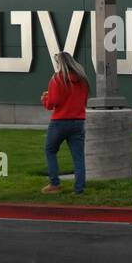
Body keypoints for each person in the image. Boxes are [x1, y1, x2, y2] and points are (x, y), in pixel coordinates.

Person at [39, 51, 89, 195]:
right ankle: (79, 189)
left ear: (60, 63)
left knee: (50, 150)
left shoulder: (57, 79)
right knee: (78, 157)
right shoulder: (83, 80)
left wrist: (44, 99)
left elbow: (53, 103)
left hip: (59, 122)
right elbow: (83, 100)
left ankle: (55, 184)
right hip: (79, 121)